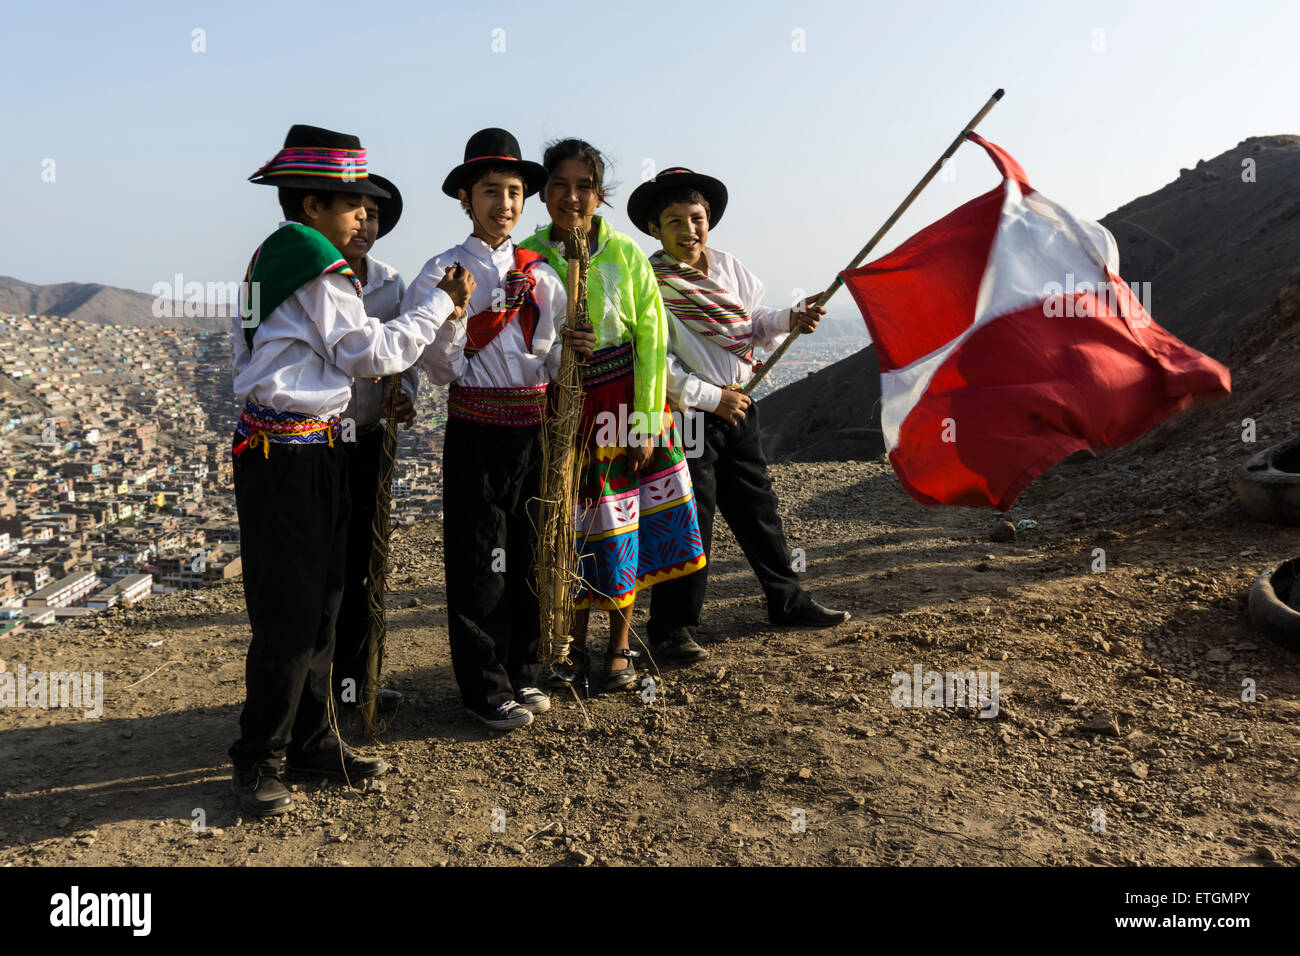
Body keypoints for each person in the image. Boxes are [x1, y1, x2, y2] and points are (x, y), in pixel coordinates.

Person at [230, 124, 469, 816]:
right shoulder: (311, 261)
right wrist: (440, 303)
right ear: (311, 206)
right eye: (352, 202)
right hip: (290, 460)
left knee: (325, 602)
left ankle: (311, 739)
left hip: (307, 447)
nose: (367, 215)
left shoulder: (275, 258)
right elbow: (370, 350)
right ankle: (258, 758)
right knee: (291, 614)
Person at [402, 128, 594, 731]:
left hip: (532, 429)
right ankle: (483, 690)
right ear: (465, 197)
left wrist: (573, 348)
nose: (504, 204)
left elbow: (549, 353)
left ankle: (520, 670)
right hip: (478, 428)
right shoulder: (442, 271)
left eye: (514, 192)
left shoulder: (542, 274)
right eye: (491, 191)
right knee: (482, 561)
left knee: (528, 552)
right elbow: (440, 371)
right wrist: (456, 314)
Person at [625, 166, 852, 661]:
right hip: (687, 415)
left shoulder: (729, 267)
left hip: (740, 403)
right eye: (675, 221)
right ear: (655, 230)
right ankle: (671, 627)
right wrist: (712, 397)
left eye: (696, 218)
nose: (689, 230)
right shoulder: (649, 281)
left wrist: (791, 318)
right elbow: (653, 360)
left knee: (759, 510)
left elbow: (751, 322)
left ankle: (786, 601)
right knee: (688, 520)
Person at [521, 140, 706, 693]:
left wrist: (648, 421)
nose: (571, 197)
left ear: (600, 196)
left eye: (584, 187)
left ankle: (620, 645)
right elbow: (523, 335)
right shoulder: (528, 256)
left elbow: (651, 336)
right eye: (560, 185)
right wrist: (558, 341)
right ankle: (569, 645)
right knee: (573, 527)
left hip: (625, 403)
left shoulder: (624, 255)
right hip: (564, 410)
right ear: (544, 192)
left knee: (627, 524)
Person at [333, 173, 417, 715]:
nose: (366, 222)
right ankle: (322, 688)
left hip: (370, 439)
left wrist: (403, 395)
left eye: (375, 214)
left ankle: (359, 682)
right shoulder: (314, 282)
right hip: (319, 441)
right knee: (328, 566)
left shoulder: (390, 284)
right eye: (356, 210)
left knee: (367, 561)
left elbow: (402, 357)